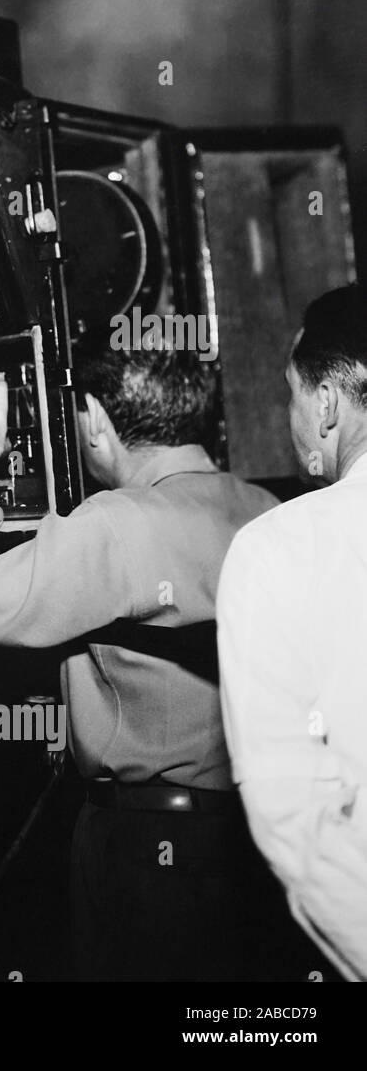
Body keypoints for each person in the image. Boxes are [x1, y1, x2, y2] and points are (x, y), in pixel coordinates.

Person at [0, 334, 317, 981]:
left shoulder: (119, 523)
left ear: (95, 419)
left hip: (150, 848)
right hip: (256, 838)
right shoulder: (266, 509)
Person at [218, 284, 367, 982]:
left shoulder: (278, 547)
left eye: (293, 395)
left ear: (329, 402)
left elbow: (294, 822)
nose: (292, 419)